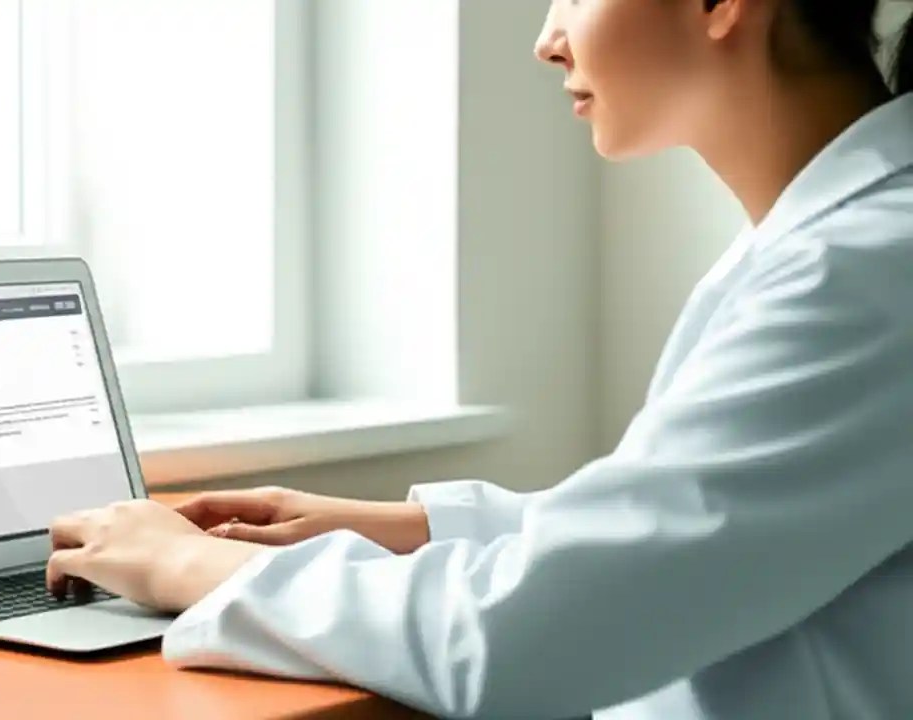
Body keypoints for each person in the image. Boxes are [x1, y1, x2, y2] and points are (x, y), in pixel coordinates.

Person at [44, 1, 913, 717]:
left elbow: (540, 638)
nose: (546, 36)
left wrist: (197, 566)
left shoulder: (868, 268)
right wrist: (407, 527)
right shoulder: (843, 246)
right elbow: (696, 530)